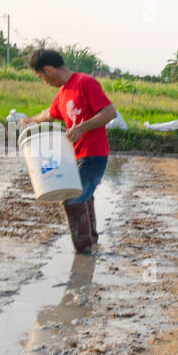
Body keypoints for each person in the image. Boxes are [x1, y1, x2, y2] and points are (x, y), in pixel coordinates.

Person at [20, 49, 118, 253]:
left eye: (41, 77)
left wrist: (82, 127)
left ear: (48, 70)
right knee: (84, 196)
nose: (44, 82)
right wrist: (29, 120)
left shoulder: (84, 83)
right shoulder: (63, 93)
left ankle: (83, 251)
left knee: (73, 198)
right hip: (77, 155)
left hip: (94, 154)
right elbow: (49, 114)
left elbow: (109, 112)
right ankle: (92, 242)